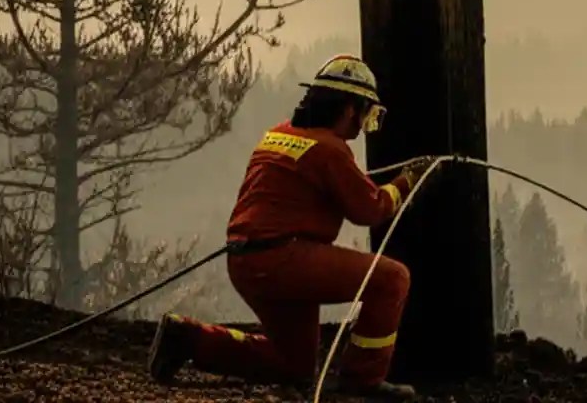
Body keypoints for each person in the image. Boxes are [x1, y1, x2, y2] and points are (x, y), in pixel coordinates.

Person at [144, 54, 433, 399]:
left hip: (245, 261)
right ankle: (363, 380)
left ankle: (190, 339)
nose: (362, 126)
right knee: (391, 279)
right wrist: (407, 182)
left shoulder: (280, 135)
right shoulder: (330, 150)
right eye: (365, 112)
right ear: (348, 109)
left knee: (293, 364)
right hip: (285, 259)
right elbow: (369, 208)